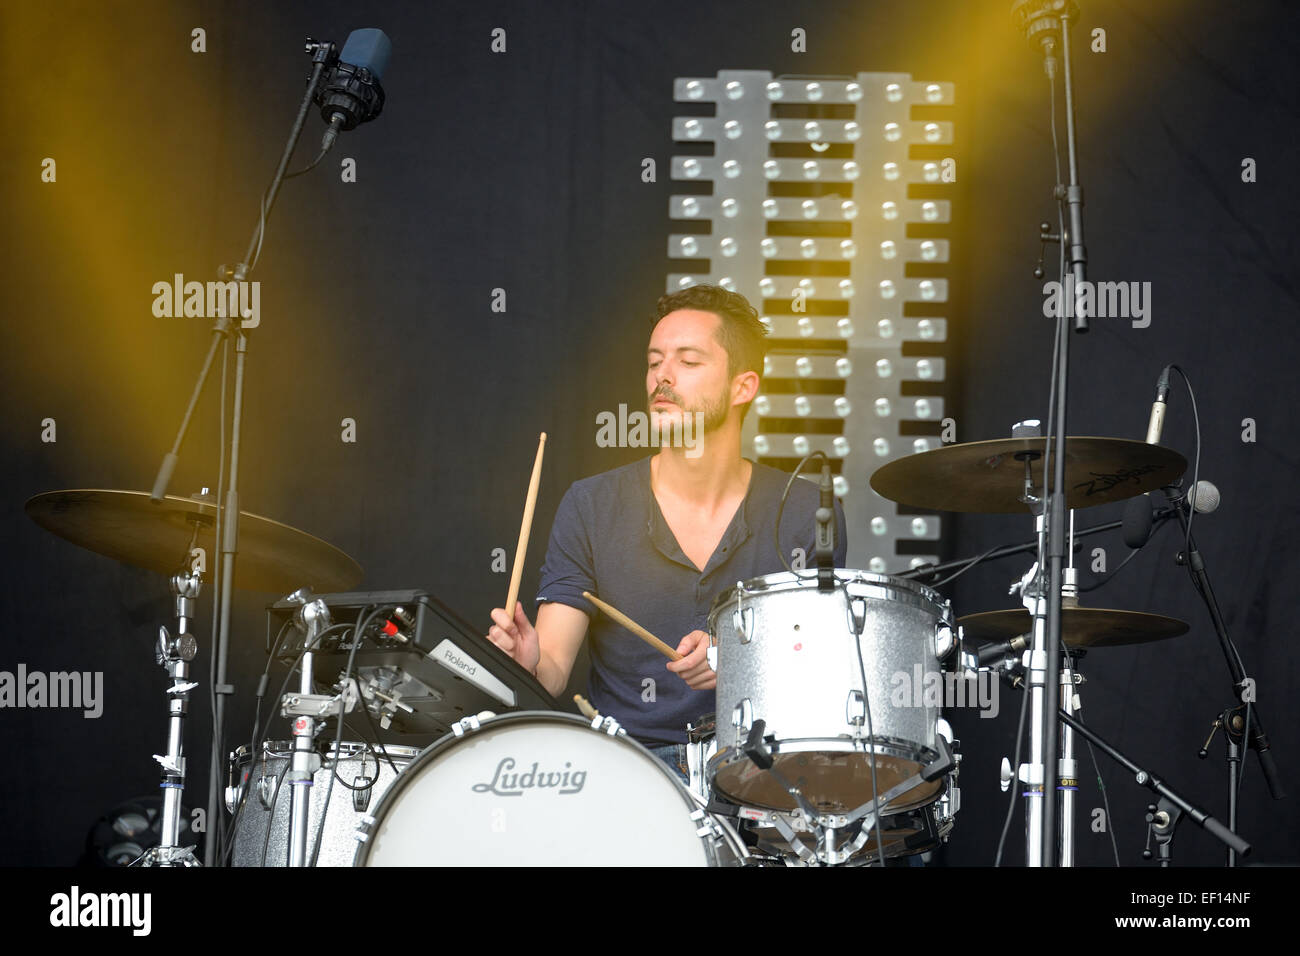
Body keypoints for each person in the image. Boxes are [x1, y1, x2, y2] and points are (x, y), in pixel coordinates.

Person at [487, 285, 846, 783]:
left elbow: (819, 665)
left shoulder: (806, 510)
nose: (662, 376)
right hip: (626, 775)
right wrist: (526, 663)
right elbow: (551, 668)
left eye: (688, 361)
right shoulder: (591, 504)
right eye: (654, 361)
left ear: (744, 387)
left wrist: (738, 660)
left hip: (759, 775)